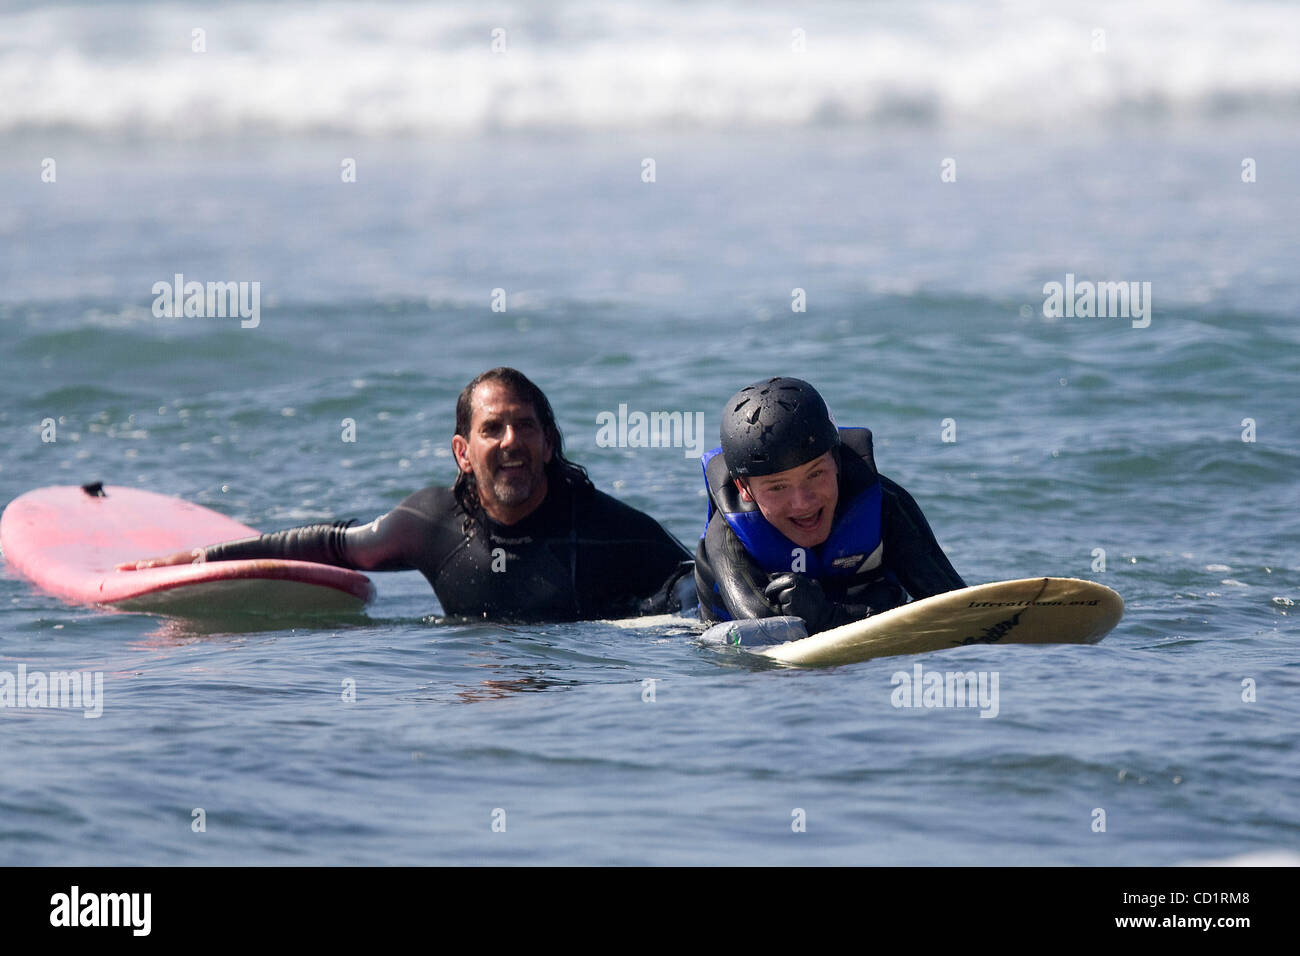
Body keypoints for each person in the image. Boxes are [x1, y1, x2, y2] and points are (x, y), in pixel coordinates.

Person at [119, 367, 694, 621]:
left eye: (526, 427)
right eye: (493, 429)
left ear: (549, 445)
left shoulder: (607, 528)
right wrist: (206, 558)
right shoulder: (430, 523)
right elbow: (336, 546)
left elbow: (692, 577)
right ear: (463, 453)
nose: (512, 440)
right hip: (480, 698)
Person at [694, 377, 965, 633]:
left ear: (836, 461)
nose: (803, 503)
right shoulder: (728, 533)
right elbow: (765, 630)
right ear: (744, 489)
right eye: (778, 487)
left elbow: (957, 606)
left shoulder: (885, 503)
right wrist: (869, 610)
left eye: (815, 474)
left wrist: (829, 616)